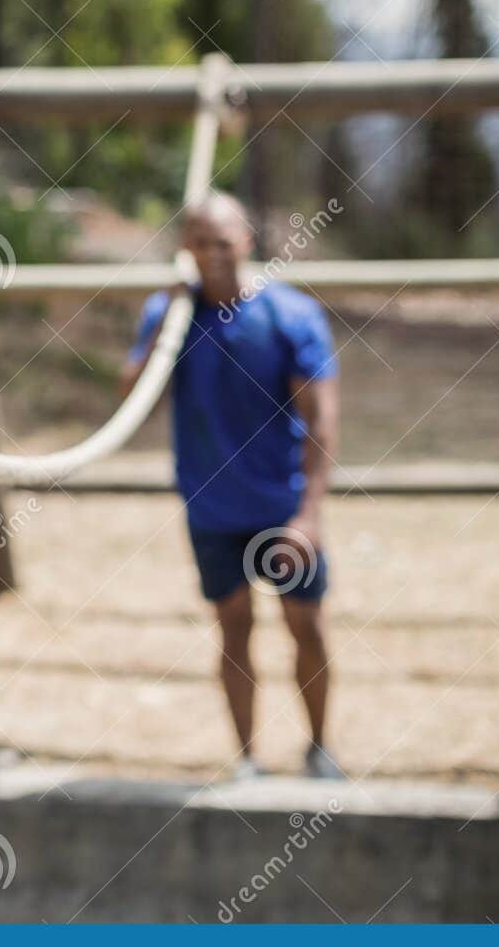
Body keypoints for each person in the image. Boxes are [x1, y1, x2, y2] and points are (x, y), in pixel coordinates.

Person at [118, 191, 343, 781]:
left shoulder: (289, 316)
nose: (212, 255)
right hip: (211, 508)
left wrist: (308, 517)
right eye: (200, 243)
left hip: (281, 506)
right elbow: (133, 398)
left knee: (304, 625)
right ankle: (246, 760)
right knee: (234, 629)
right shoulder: (168, 314)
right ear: (185, 248)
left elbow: (321, 421)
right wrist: (166, 316)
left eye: (223, 242)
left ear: (246, 241)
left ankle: (319, 750)